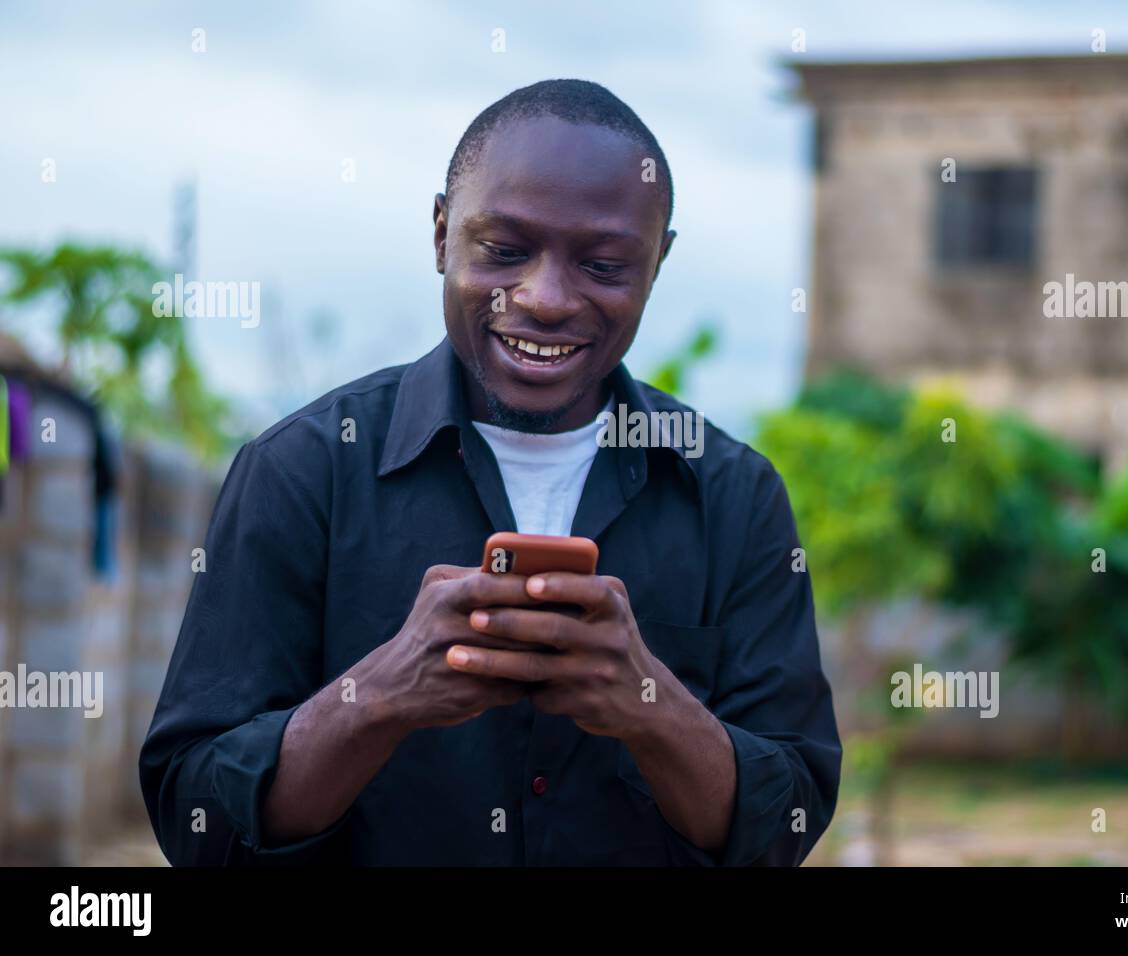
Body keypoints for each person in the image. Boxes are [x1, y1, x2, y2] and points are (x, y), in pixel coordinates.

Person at [139, 79, 841, 865]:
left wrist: (650, 704)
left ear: (658, 262)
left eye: (605, 264)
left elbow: (789, 824)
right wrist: (377, 698)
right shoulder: (301, 471)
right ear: (442, 235)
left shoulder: (734, 498)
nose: (544, 299)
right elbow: (192, 813)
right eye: (503, 252)